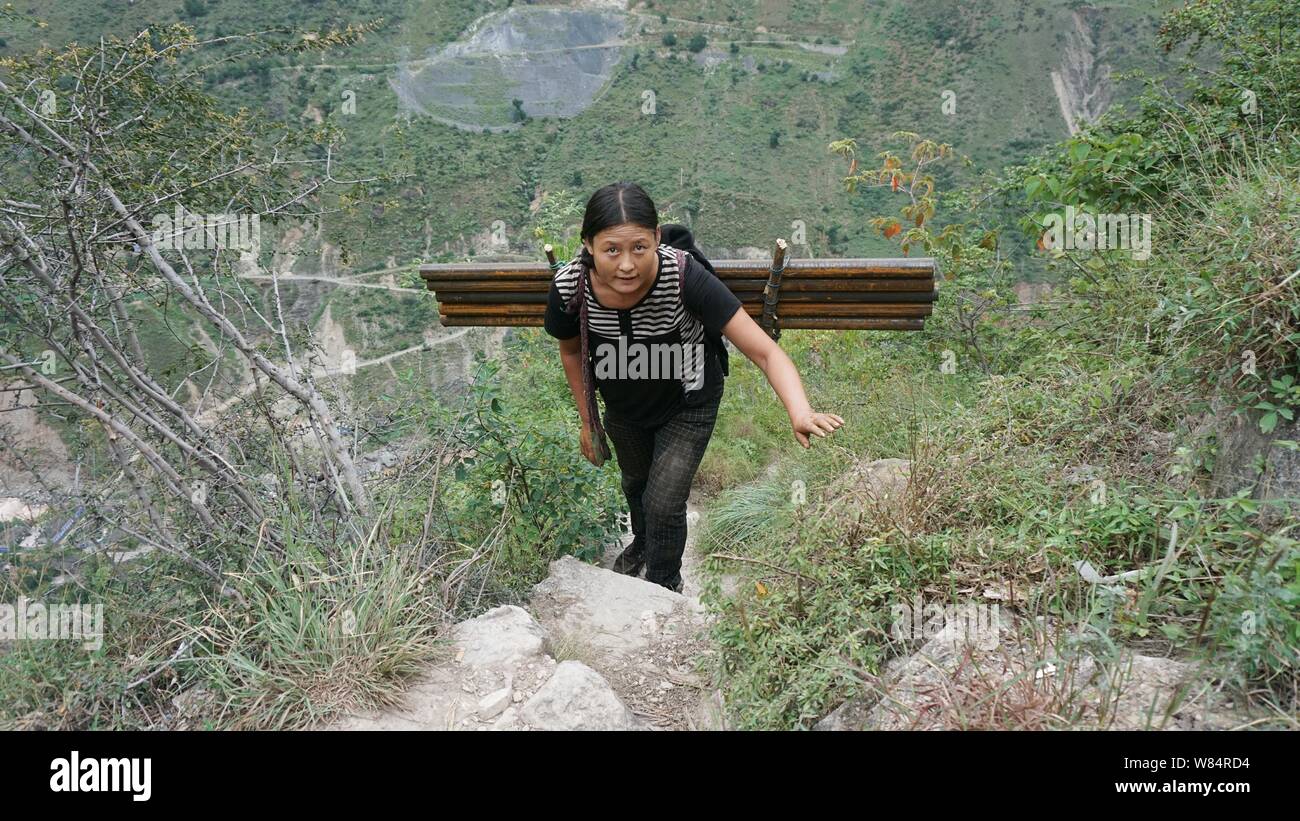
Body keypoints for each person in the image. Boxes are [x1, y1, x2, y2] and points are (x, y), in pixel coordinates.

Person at [543, 181, 844, 593]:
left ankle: (665, 586)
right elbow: (572, 353)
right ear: (589, 246)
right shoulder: (570, 288)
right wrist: (588, 421)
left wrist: (800, 410)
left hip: (689, 401)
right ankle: (644, 544)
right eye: (612, 249)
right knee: (635, 483)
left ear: (656, 239)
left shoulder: (682, 275)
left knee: (664, 501)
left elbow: (765, 352)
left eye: (639, 248)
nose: (627, 264)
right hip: (624, 407)